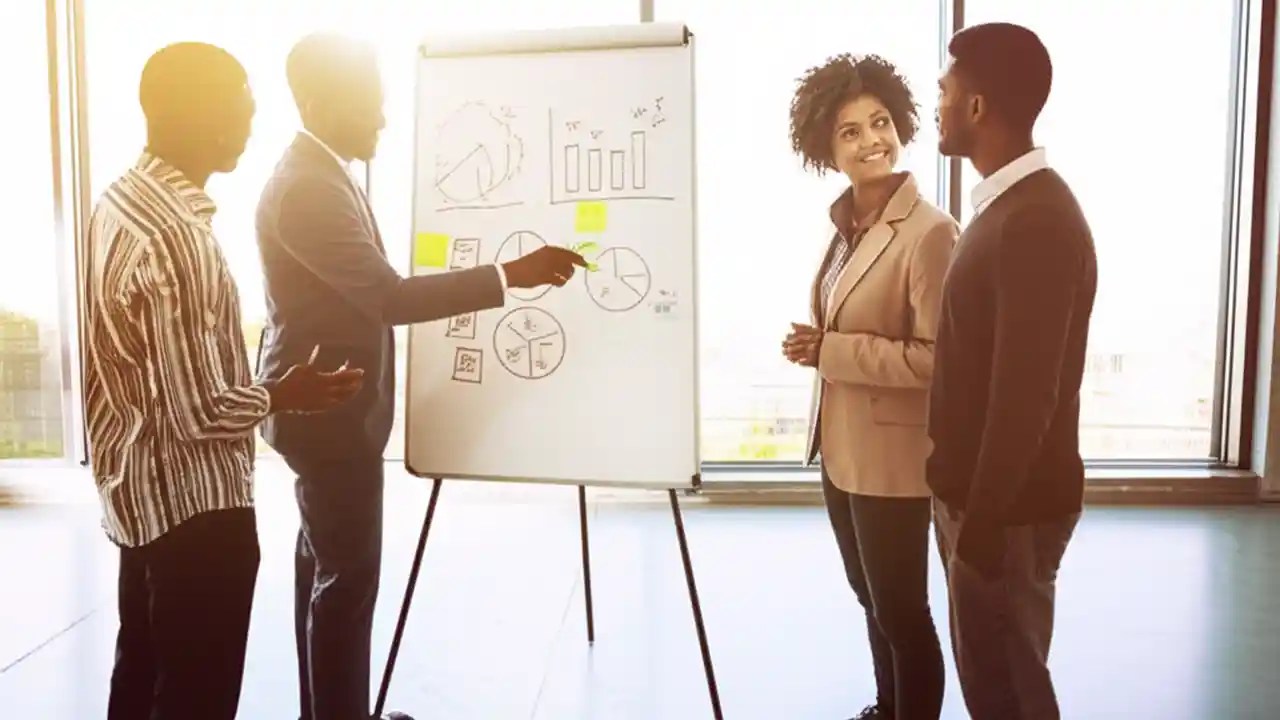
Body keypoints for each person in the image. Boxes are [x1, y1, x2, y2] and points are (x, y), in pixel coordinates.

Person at [253, 33, 585, 720]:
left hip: (327, 412)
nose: (381, 118)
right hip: (329, 415)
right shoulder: (309, 187)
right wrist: (509, 275)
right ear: (320, 102)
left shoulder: (319, 171)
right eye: (368, 103)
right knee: (345, 581)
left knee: (322, 567)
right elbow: (389, 297)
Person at [80, 42, 364, 720]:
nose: (250, 121)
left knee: (142, 672)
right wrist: (284, 392)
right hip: (196, 512)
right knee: (196, 694)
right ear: (207, 119)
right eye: (243, 106)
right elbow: (199, 412)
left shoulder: (120, 202)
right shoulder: (177, 237)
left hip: (138, 494)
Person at [928, 22, 1098, 720]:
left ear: (976, 108)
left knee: (1008, 691)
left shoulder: (1035, 222)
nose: (935, 103)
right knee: (993, 681)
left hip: (1005, 513)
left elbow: (1026, 395)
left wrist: (984, 523)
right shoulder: (1010, 211)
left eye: (944, 90)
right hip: (988, 505)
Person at [784, 53, 957, 720]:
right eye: (850, 132)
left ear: (901, 125)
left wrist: (831, 350)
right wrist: (819, 347)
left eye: (880, 122)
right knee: (870, 598)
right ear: (827, 148)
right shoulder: (845, 227)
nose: (871, 141)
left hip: (893, 460)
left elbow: (939, 360)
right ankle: (887, 709)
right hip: (842, 449)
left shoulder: (931, 234)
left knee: (904, 612)